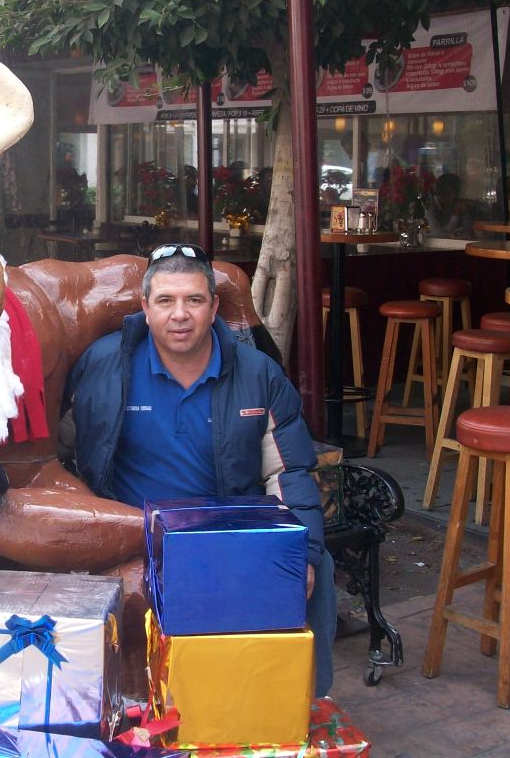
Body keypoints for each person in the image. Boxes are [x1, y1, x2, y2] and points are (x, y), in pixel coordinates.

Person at [63, 242, 336, 697]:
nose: (180, 314)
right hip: (136, 535)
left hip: (228, 535)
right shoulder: (103, 366)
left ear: (213, 307)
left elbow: (287, 473)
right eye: (165, 300)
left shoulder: (257, 373)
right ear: (145, 307)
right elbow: (59, 450)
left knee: (316, 565)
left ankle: (300, 703)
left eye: (193, 300)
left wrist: (302, 556)